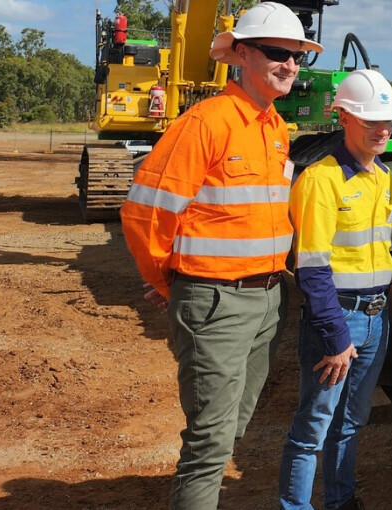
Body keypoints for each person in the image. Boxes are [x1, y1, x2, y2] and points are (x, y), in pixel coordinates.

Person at [119, 3, 321, 509]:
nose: (290, 66)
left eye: (298, 57)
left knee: (233, 429)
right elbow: (146, 212)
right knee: (210, 443)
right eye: (278, 53)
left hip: (268, 300)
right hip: (215, 303)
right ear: (243, 55)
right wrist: (169, 280)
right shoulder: (206, 123)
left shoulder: (275, 128)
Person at [278, 69, 392, 510]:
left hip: (376, 318)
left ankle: (341, 501)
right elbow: (311, 269)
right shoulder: (321, 180)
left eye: (387, 121)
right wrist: (335, 337)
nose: (382, 130)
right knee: (314, 424)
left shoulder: (383, 176)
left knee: (351, 421)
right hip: (338, 319)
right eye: (372, 120)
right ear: (344, 117)